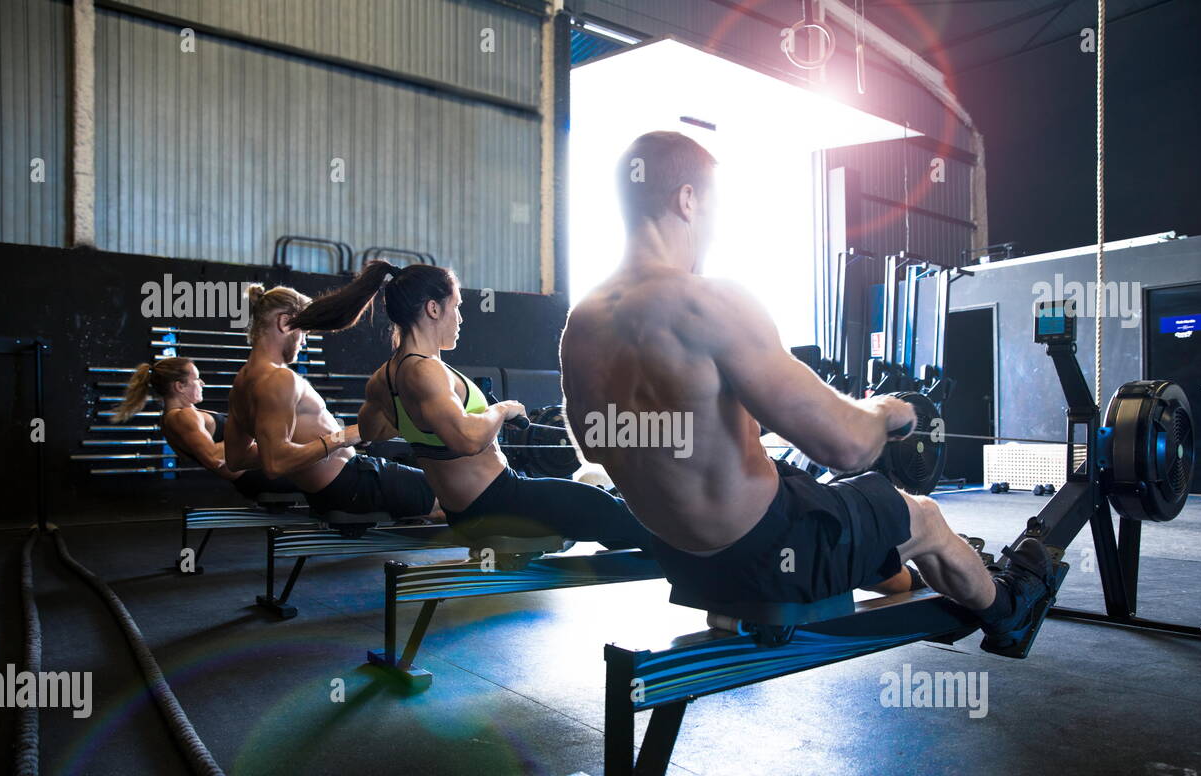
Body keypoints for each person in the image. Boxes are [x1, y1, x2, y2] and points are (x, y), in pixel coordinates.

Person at [560, 130, 1058, 658]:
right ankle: (1009, 612)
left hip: (686, 562)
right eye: (711, 209)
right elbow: (845, 448)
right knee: (926, 516)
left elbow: (595, 448)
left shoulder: (583, 323)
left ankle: (910, 578)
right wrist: (886, 412)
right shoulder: (709, 302)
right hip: (771, 557)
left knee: (844, 504)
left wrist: (726, 425)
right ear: (687, 200)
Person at [288, 260, 647, 549]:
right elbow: (465, 440)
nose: (460, 320)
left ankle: (572, 543)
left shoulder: (385, 377)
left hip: (465, 513)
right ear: (432, 308)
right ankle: (696, 571)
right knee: (622, 515)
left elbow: (370, 431)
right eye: (455, 308)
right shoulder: (426, 371)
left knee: (608, 523)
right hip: (501, 502)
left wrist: (421, 419)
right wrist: (502, 410)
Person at [223, 283, 438, 521]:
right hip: (352, 484)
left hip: (330, 490)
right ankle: (478, 553)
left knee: (439, 498)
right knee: (453, 493)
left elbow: (236, 459)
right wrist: (346, 436)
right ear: (284, 323)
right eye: (303, 331)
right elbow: (276, 463)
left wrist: (313, 445)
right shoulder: (278, 378)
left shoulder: (241, 383)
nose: (303, 341)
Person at [113, 356, 298, 500]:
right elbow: (213, 458)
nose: (202, 383)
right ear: (180, 386)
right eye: (197, 379)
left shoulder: (173, 419)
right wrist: (249, 428)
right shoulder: (183, 417)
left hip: (257, 477)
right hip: (265, 478)